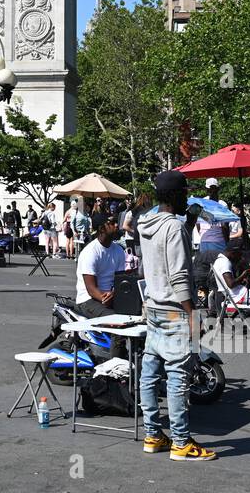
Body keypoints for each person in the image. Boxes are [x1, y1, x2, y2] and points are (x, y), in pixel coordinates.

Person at [137, 170, 216, 462]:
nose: (187, 197)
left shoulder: (147, 222)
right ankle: (181, 443)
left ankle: (153, 435)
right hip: (174, 311)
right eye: (184, 193)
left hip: (153, 307)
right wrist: (193, 315)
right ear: (174, 196)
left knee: (149, 375)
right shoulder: (174, 228)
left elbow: (161, 253)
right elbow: (180, 275)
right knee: (177, 378)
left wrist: (189, 222)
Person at [74, 211, 127, 358]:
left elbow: (120, 280)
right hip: (87, 300)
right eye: (112, 223)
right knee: (117, 322)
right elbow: (91, 289)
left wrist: (115, 293)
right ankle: (115, 366)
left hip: (108, 296)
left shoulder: (118, 250)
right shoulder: (90, 252)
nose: (117, 225)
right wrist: (106, 298)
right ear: (101, 228)